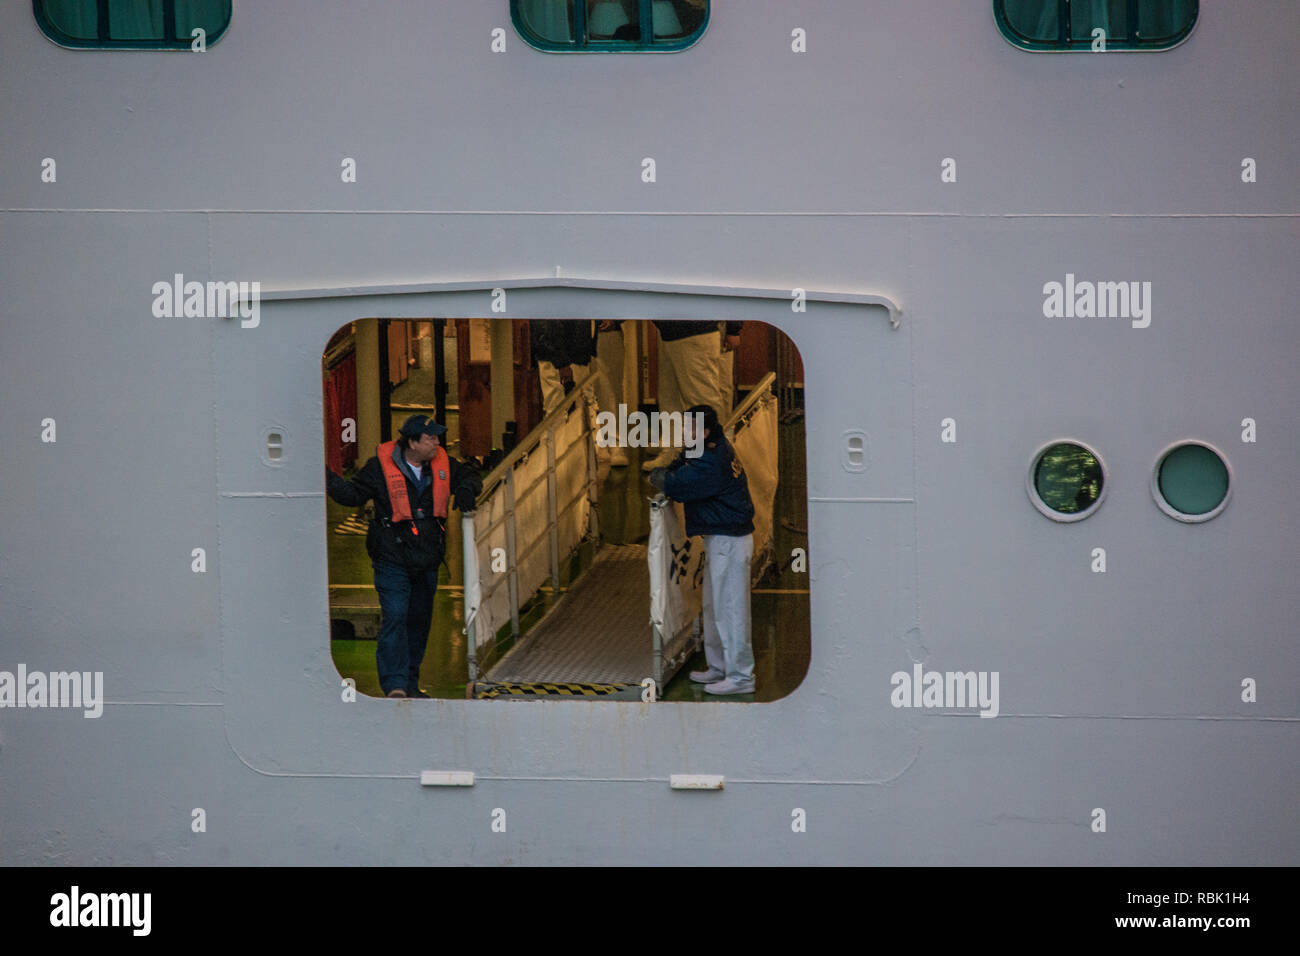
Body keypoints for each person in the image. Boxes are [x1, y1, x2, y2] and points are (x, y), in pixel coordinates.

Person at [326, 414, 482, 698]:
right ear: (412, 442)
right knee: (396, 615)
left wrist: (466, 489)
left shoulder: (444, 464)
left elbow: (470, 474)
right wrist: (324, 476)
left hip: (427, 558)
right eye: (430, 438)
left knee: (419, 621)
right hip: (392, 557)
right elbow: (351, 495)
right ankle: (394, 684)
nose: (437, 442)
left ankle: (411, 683)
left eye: (437, 437)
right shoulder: (378, 469)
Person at [648, 404, 756, 695]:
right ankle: (720, 668)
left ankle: (742, 677)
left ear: (705, 431)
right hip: (719, 540)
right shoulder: (709, 446)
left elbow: (678, 483)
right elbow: (680, 462)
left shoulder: (712, 460)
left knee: (731, 611)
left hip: (729, 543)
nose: (684, 433)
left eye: (690, 429)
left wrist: (660, 477)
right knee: (713, 607)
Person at [643, 320, 728, 471]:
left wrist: (734, 329)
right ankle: (673, 452)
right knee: (669, 399)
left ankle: (713, 461)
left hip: (695, 330)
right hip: (671, 332)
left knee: (701, 402)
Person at [530, 319, 596, 415]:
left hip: (572, 357)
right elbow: (550, 326)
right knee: (557, 411)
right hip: (562, 358)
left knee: (577, 410)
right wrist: (562, 363)